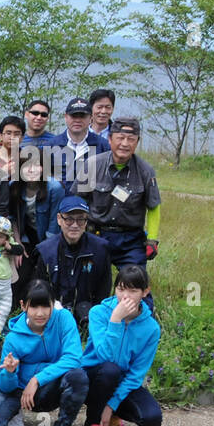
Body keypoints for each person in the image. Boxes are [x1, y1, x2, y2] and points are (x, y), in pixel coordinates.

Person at [0, 279, 88, 426]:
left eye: (46, 306)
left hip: (48, 388)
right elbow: (5, 387)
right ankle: (15, 412)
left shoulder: (64, 319)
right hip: (19, 389)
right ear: (23, 305)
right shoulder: (13, 337)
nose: (41, 313)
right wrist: (10, 372)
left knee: (78, 377)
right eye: (34, 307)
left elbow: (74, 357)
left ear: (53, 304)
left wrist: (37, 379)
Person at [79, 265, 162, 426]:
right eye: (121, 289)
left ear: (145, 292)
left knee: (151, 418)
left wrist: (111, 406)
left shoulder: (151, 328)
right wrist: (115, 319)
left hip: (120, 382)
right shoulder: (99, 313)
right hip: (93, 377)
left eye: (133, 291)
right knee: (110, 369)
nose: (125, 296)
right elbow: (104, 356)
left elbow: (136, 374)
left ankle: (113, 412)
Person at [81, 117, 161, 274]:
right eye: (120, 138)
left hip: (130, 240)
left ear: (137, 142)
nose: (125, 144)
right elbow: (79, 200)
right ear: (110, 139)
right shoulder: (92, 165)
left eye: (131, 139)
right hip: (96, 236)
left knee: (136, 285)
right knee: (87, 283)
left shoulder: (146, 171)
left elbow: (153, 207)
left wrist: (152, 239)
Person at [33, 195, 112, 331]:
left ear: (86, 222)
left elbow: (104, 288)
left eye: (80, 219)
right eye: (69, 219)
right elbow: (39, 289)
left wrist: (97, 313)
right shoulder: (45, 251)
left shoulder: (100, 249)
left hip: (87, 310)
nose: (75, 225)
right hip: (55, 310)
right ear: (59, 219)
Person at [48, 96, 110, 192]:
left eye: (82, 116)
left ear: (91, 118)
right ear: (65, 117)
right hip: (60, 202)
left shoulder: (103, 145)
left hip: (92, 202)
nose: (77, 120)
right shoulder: (51, 145)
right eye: (73, 116)